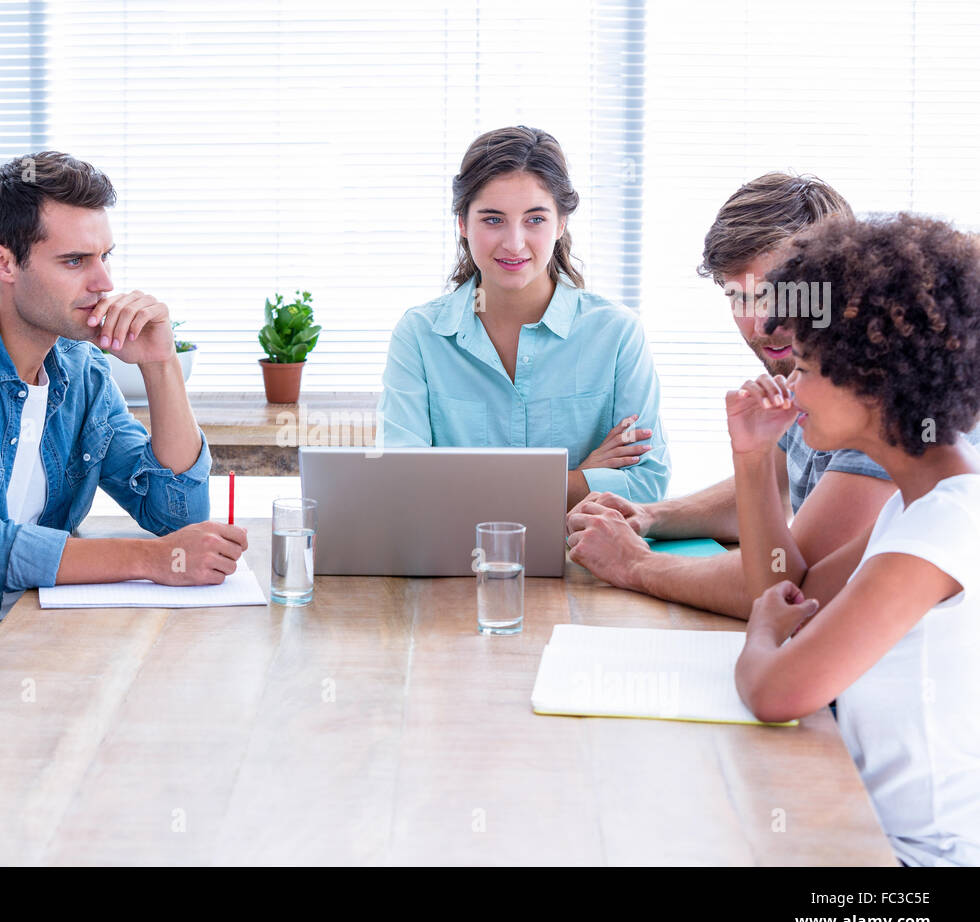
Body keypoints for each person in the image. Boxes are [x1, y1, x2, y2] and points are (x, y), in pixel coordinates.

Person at [0, 151, 247, 733]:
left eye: (106, 258)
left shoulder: (80, 369)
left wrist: (160, 364)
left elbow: (174, 511)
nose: (103, 283)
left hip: (46, 641)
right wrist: (150, 561)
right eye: (75, 261)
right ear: (2, 262)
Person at [565, 173, 971, 618]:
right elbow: (767, 499)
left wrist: (634, 563)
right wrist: (649, 515)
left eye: (777, 294)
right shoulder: (808, 384)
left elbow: (787, 589)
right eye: (738, 297)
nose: (760, 324)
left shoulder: (877, 405)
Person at [729, 213, 980, 866]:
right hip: (866, 833)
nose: (792, 385)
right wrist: (754, 459)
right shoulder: (918, 503)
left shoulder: (941, 531)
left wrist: (759, 634)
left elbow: (777, 690)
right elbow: (790, 596)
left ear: (874, 378)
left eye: (807, 366)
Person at [376, 126, 669, 509]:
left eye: (535, 219)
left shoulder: (616, 334)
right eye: (493, 219)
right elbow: (403, 484)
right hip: (460, 564)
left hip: (586, 562)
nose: (514, 244)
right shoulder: (420, 336)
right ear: (463, 224)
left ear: (561, 223)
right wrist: (577, 478)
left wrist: (478, 486)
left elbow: (647, 483)